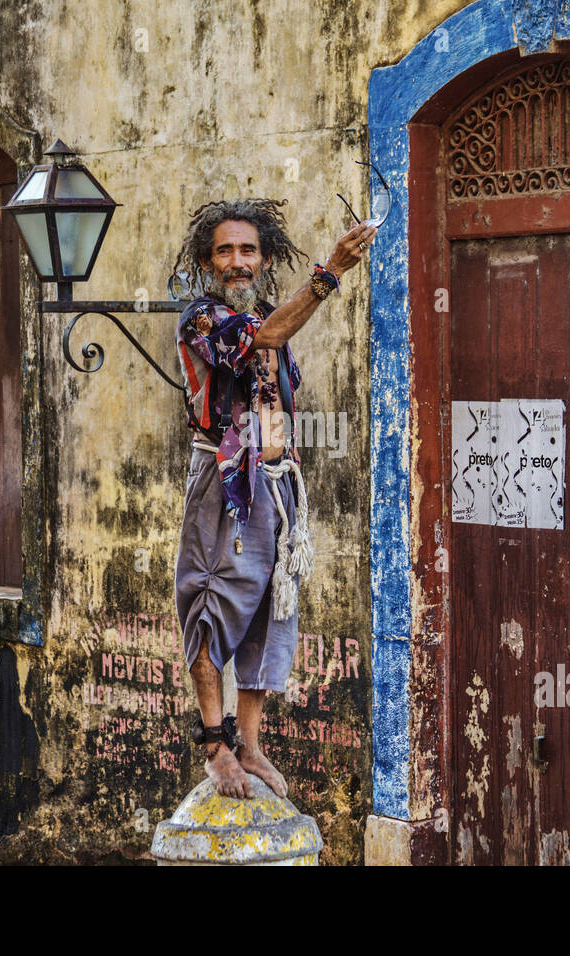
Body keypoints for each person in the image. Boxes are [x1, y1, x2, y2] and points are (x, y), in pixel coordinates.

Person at [172, 198, 375, 798]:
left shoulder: (269, 310)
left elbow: (277, 353)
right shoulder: (202, 319)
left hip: (276, 484)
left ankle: (251, 744)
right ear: (209, 265)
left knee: (268, 608)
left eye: (248, 251)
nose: (237, 262)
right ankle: (215, 747)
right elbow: (265, 337)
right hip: (222, 485)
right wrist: (331, 270)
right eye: (225, 252)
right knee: (212, 606)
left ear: (263, 260)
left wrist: (284, 467)